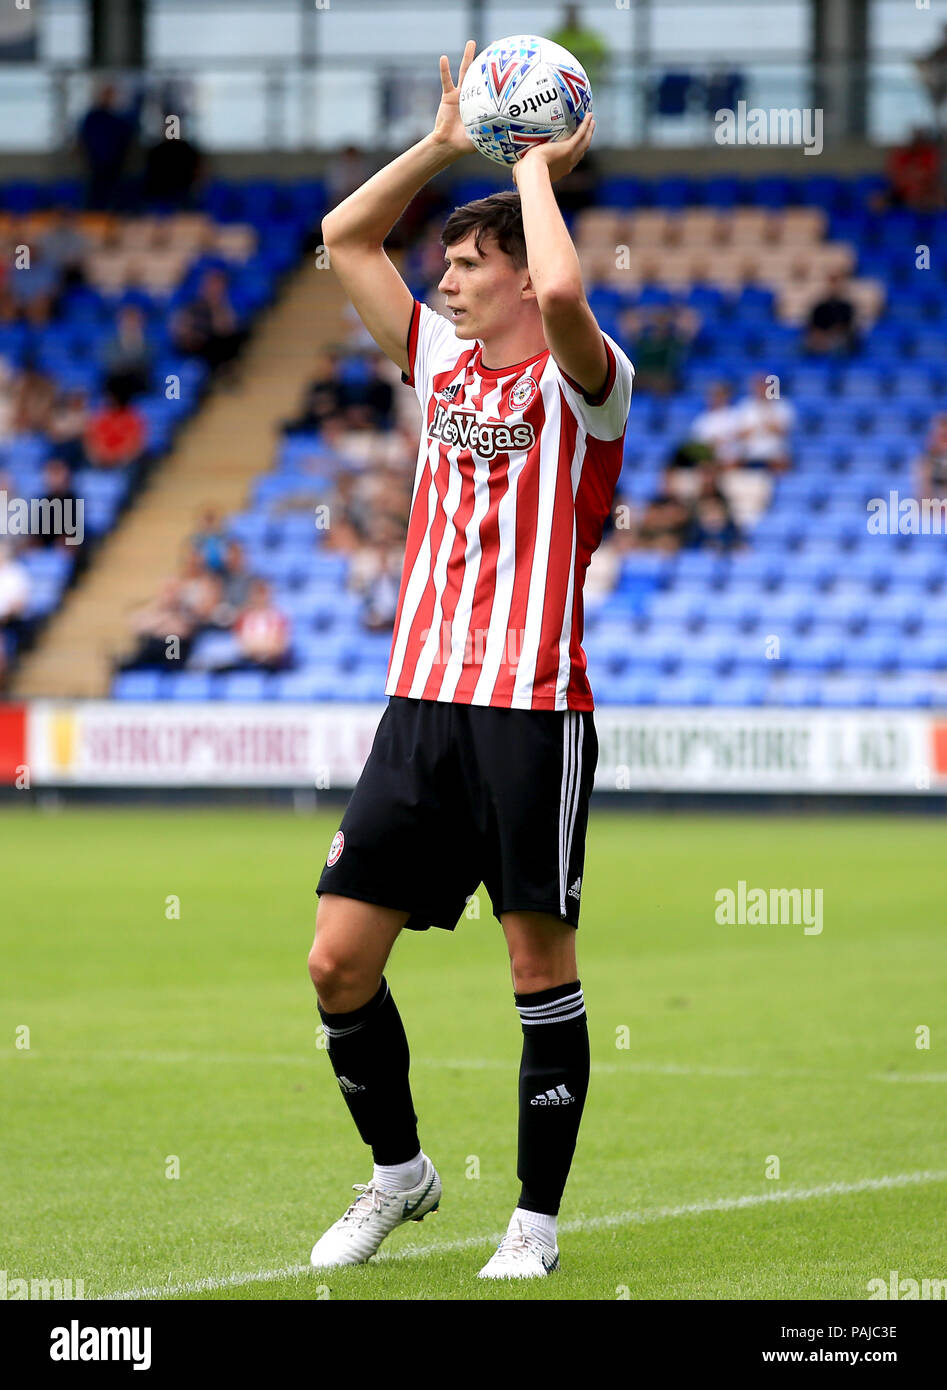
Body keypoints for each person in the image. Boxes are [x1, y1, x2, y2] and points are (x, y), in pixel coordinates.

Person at [308, 40, 634, 1281]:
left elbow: (560, 296)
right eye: (441, 260)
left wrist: (534, 170)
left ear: (512, 274)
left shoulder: (585, 383)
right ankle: (400, 1176)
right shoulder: (436, 361)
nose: (441, 278)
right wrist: (450, 143)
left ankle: (534, 1221)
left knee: (532, 966)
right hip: (420, 706)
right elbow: (344, 236)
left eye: (463, 260)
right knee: (337, 960)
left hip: (530, 713)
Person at [804, 271, 859, 356]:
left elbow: (849, 326)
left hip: (841, 337)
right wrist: (820, 335)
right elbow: (813, 325)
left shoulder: (847, 306)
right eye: (831, 283)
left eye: (837, 283)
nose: (834, 287)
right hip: (822, 337)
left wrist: (835, 333)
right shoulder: (819, 306)